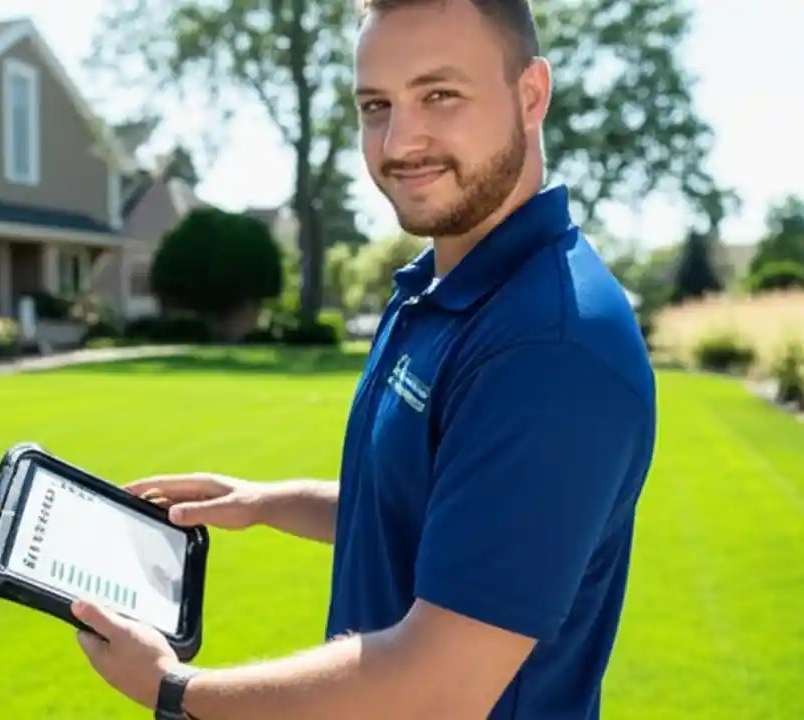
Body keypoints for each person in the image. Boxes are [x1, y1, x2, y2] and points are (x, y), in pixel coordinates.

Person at [69, 0, 657, 717]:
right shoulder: (437, 289)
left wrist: (172, 689)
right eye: (375, 105)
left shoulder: (550, 346)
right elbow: (440, 516)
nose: (400, 140)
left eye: (439, 95)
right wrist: (266, 502)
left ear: (530, 94)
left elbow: (435, 688)